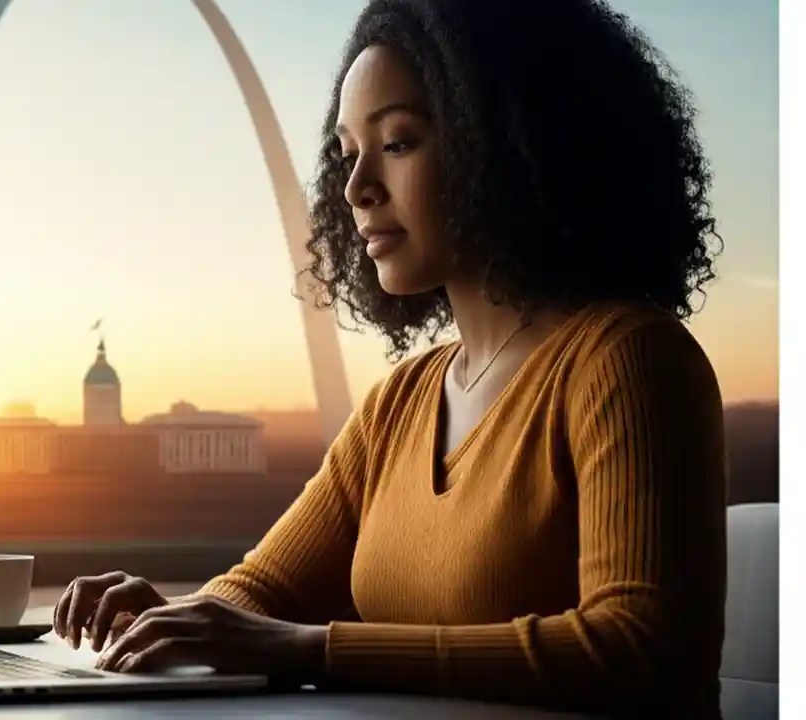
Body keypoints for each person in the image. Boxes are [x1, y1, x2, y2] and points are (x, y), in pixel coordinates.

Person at [54, 0, 727, 714]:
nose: (355, 188)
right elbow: (263, 593)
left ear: (510, 143)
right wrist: (169, 620)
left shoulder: (628, 360)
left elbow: (641, 650)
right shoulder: (398, 404)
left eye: (398, 142)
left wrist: (312, 650)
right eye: (347, 154)